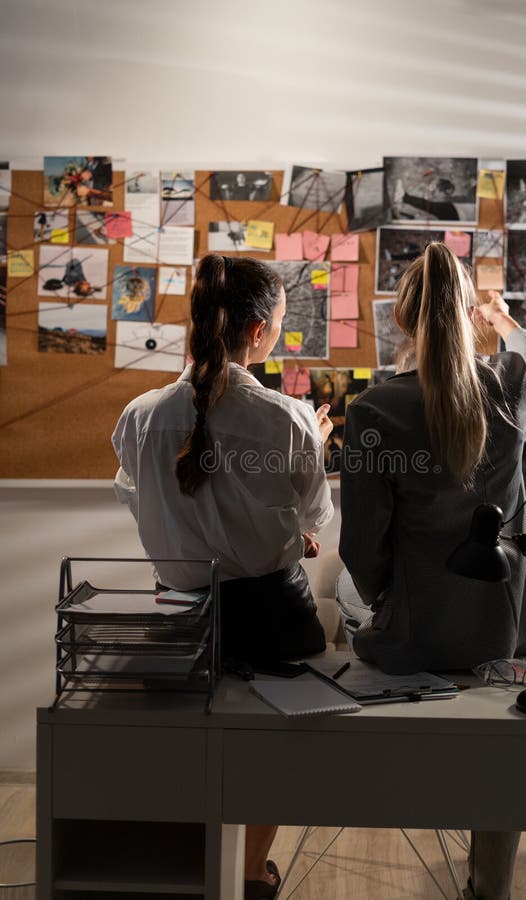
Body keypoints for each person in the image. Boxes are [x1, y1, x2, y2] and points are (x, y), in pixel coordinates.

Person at [338, 242, 526, 900]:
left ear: (402, 321)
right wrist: (503, 322)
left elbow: (361, 550)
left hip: (418, 636)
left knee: (340, 602)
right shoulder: (511, 387)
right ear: (467, 315)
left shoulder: (374, 409)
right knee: (507, 767)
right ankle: (488, 888)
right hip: (507, 634)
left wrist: (383, 599)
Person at [112, 253, 334, 900]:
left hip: (178, 617)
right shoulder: (286, 417)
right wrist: (309, 455)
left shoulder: (140, 414)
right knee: (274, 758)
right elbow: (314, 516)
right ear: (259, 331)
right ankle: (245, 874)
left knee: (187, 753)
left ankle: (195, 870)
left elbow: (141, 501)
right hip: (273, 621)